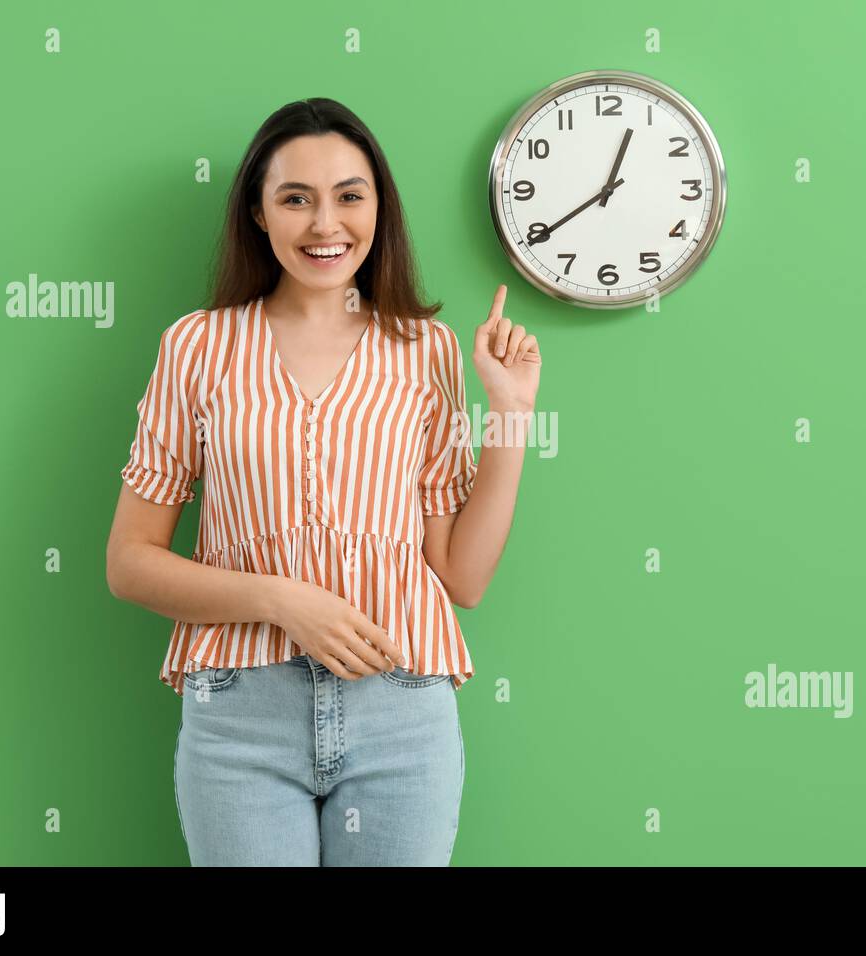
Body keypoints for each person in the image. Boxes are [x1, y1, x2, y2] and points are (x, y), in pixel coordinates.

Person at [104, 98, 540, 865]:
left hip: (402, 710)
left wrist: (509, 412)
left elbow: (463, 578)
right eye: (295, 199)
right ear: (258, 213)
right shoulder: (197, 346)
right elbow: (130, 562)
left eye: (349, 195)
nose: (324, 224)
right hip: (240, 715)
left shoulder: (425, 350)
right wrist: (281, 600)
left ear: (379, 208)